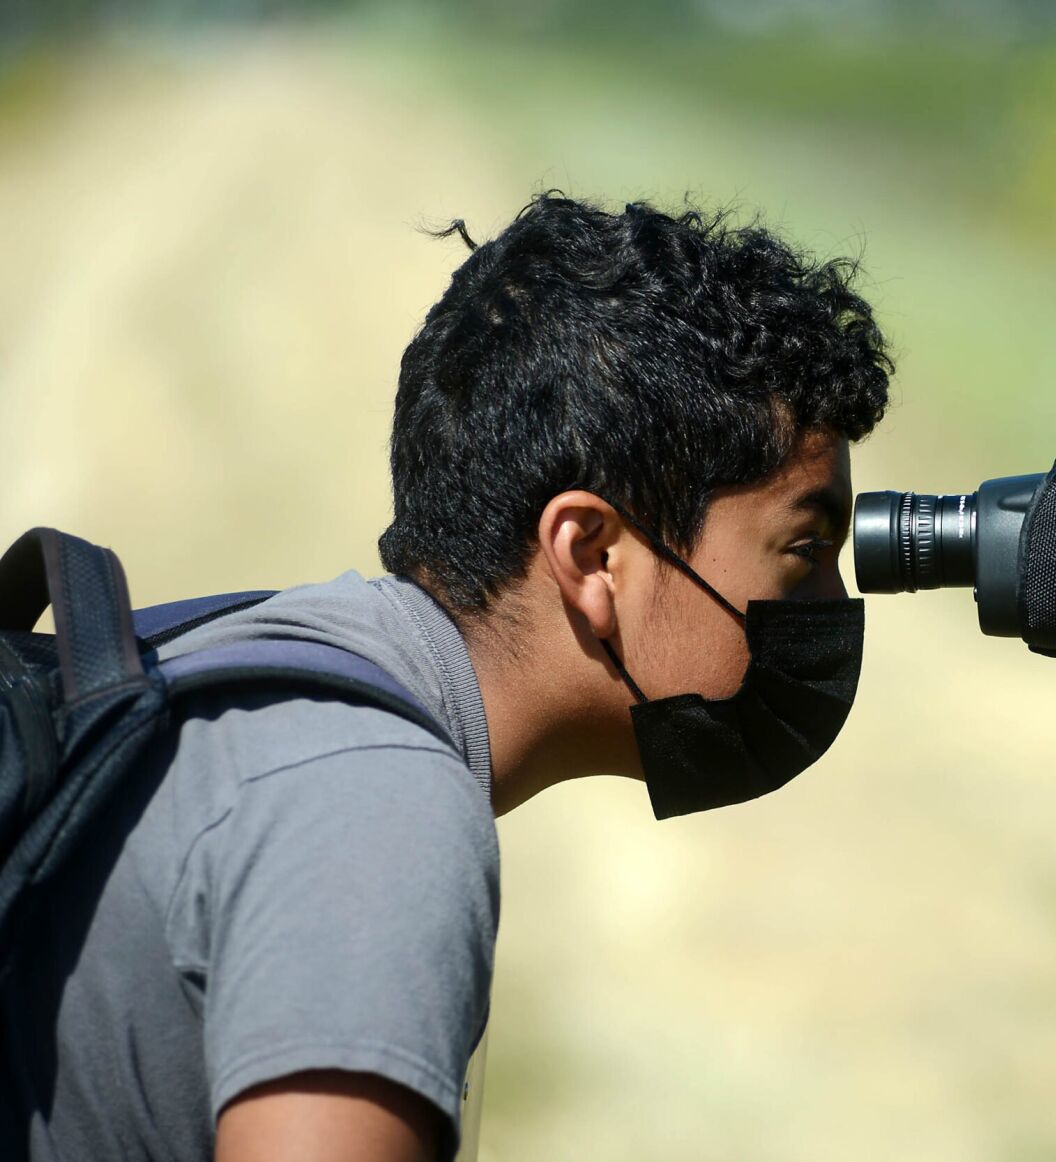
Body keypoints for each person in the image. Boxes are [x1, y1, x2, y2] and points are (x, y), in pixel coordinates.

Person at [1, 192, 892, 1161]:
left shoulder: (276, 671)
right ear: (591, 554)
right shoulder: (381, 812)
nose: (828, 605)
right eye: (804, 548)